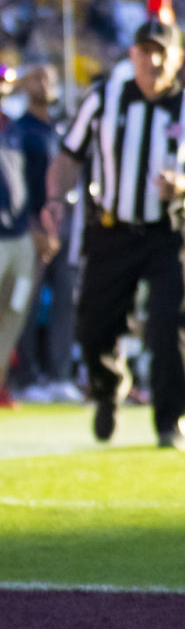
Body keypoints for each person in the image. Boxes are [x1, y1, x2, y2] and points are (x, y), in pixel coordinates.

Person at [49, 20, 185, 449]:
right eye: (145, 51)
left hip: (169, 230)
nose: (153, 61)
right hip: (111, 228)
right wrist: (56, 199)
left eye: (161, 52)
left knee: (170, 324)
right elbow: (69, 155)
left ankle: (171, 420)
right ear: (131, 56)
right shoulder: (103, 99)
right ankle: (109, 384)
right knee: (93, 324)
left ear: (178, 59)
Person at [13, 65, 79, 403]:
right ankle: (27, 375)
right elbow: (16, 182)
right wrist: (33, 225)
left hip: (64, 225)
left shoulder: (63, 130)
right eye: (37, 78)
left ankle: (59, 374)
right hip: (32, 228)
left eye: (49, 79)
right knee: (26, 301)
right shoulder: (19, 130)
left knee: (66, 301)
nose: (44, 85)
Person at [0, 65, 57, 404]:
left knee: (14, 309)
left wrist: (36, 225)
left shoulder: (14, 127)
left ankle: (1, 382)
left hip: (19, 233)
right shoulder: (18, 127)